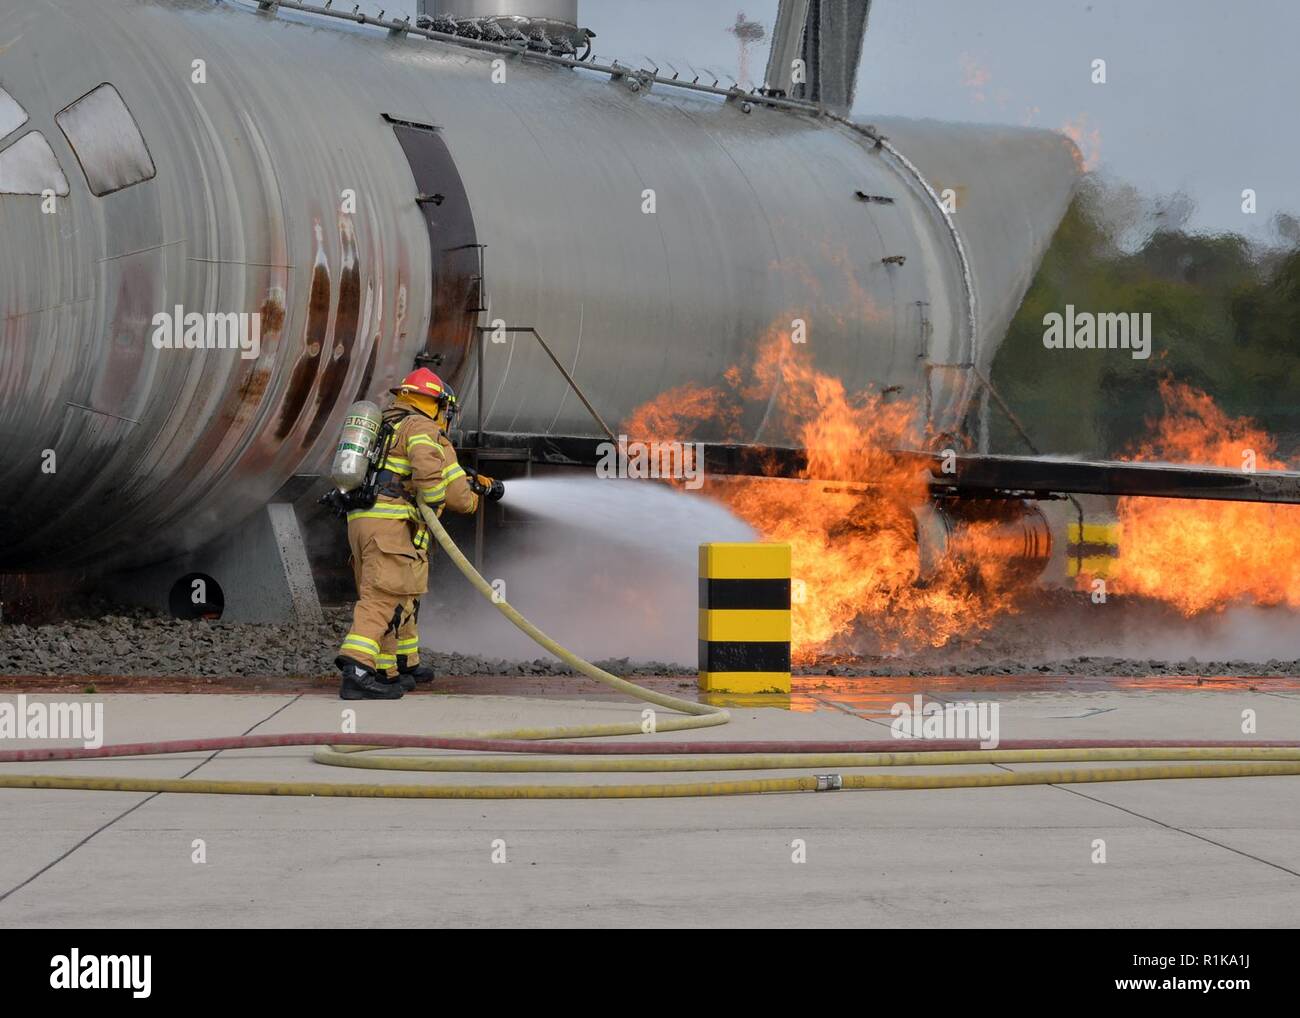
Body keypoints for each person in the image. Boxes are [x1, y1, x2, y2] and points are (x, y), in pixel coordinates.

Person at [335, 368, 503, 700]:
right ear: (435, 404)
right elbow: (447, 489)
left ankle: (385, 670)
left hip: (363, 521)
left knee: (392, 595)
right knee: (382, 598)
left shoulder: (387, 425)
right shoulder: (423, 427)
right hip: (390, 525)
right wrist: (453, 497)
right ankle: (357, 670)